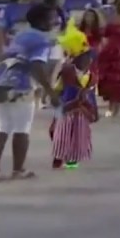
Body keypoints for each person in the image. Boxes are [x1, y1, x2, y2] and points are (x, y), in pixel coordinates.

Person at [0, 3, 61, 180]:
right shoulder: (42, 41)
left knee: (3, 127)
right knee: (22, 128)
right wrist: (50, 91)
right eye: (52, 17)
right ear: (42, 20)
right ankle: (18, 169)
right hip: (21, 86)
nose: (56, 20)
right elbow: (36, 66)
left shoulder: (22, 35)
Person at [49, 22, 98, 170]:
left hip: (83, 110)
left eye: (90, 57)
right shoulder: (66, 71)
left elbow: (92, 93)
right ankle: (59, 155)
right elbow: (57, 88)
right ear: (75, 58)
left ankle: (72, 158)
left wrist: (93, 109)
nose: (88, 60)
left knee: (79, 134)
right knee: (61, 133)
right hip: (67, 108)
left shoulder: (92, 75)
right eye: (85, 57)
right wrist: (55, 100)